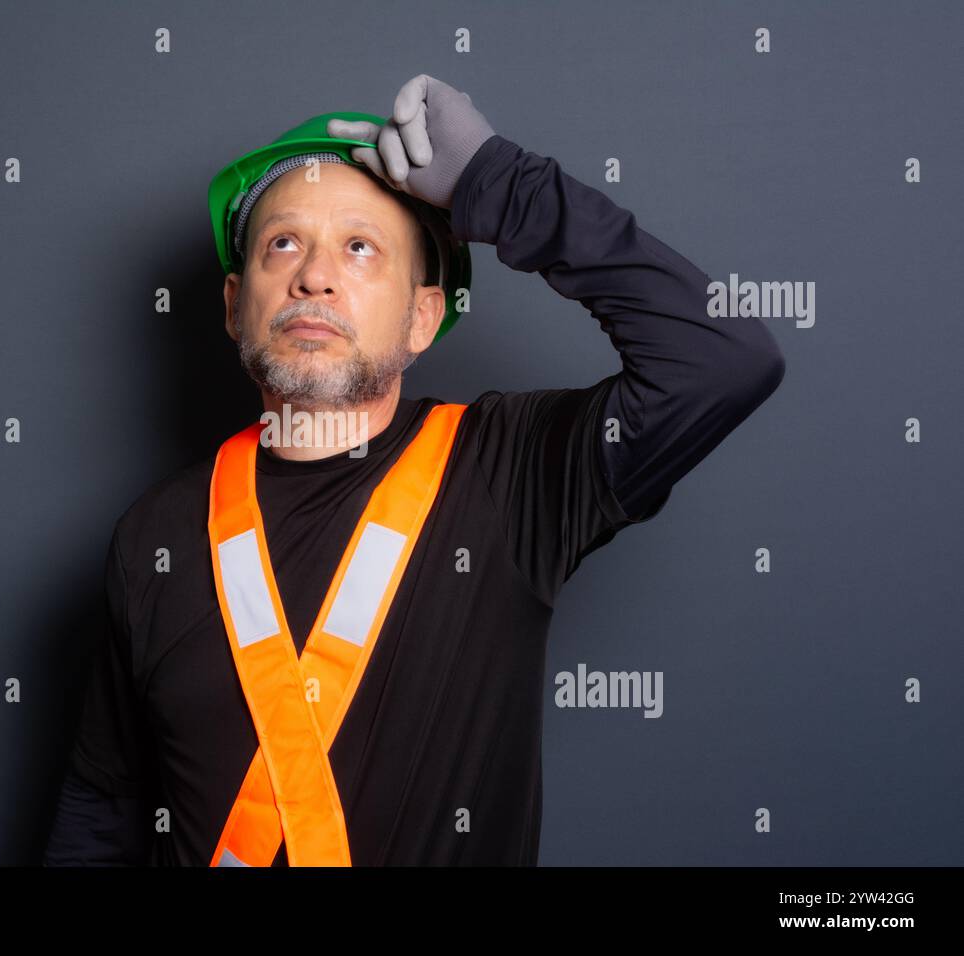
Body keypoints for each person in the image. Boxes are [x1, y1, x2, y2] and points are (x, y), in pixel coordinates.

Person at [43, 74, 785, 866]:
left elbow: (724, 361)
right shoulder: (152, 535)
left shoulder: (513, 473)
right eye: (283, 243)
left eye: (360, 248)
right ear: (234, 304)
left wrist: (497, 181)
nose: (314, 277)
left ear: (422, 317)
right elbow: (103, 808)